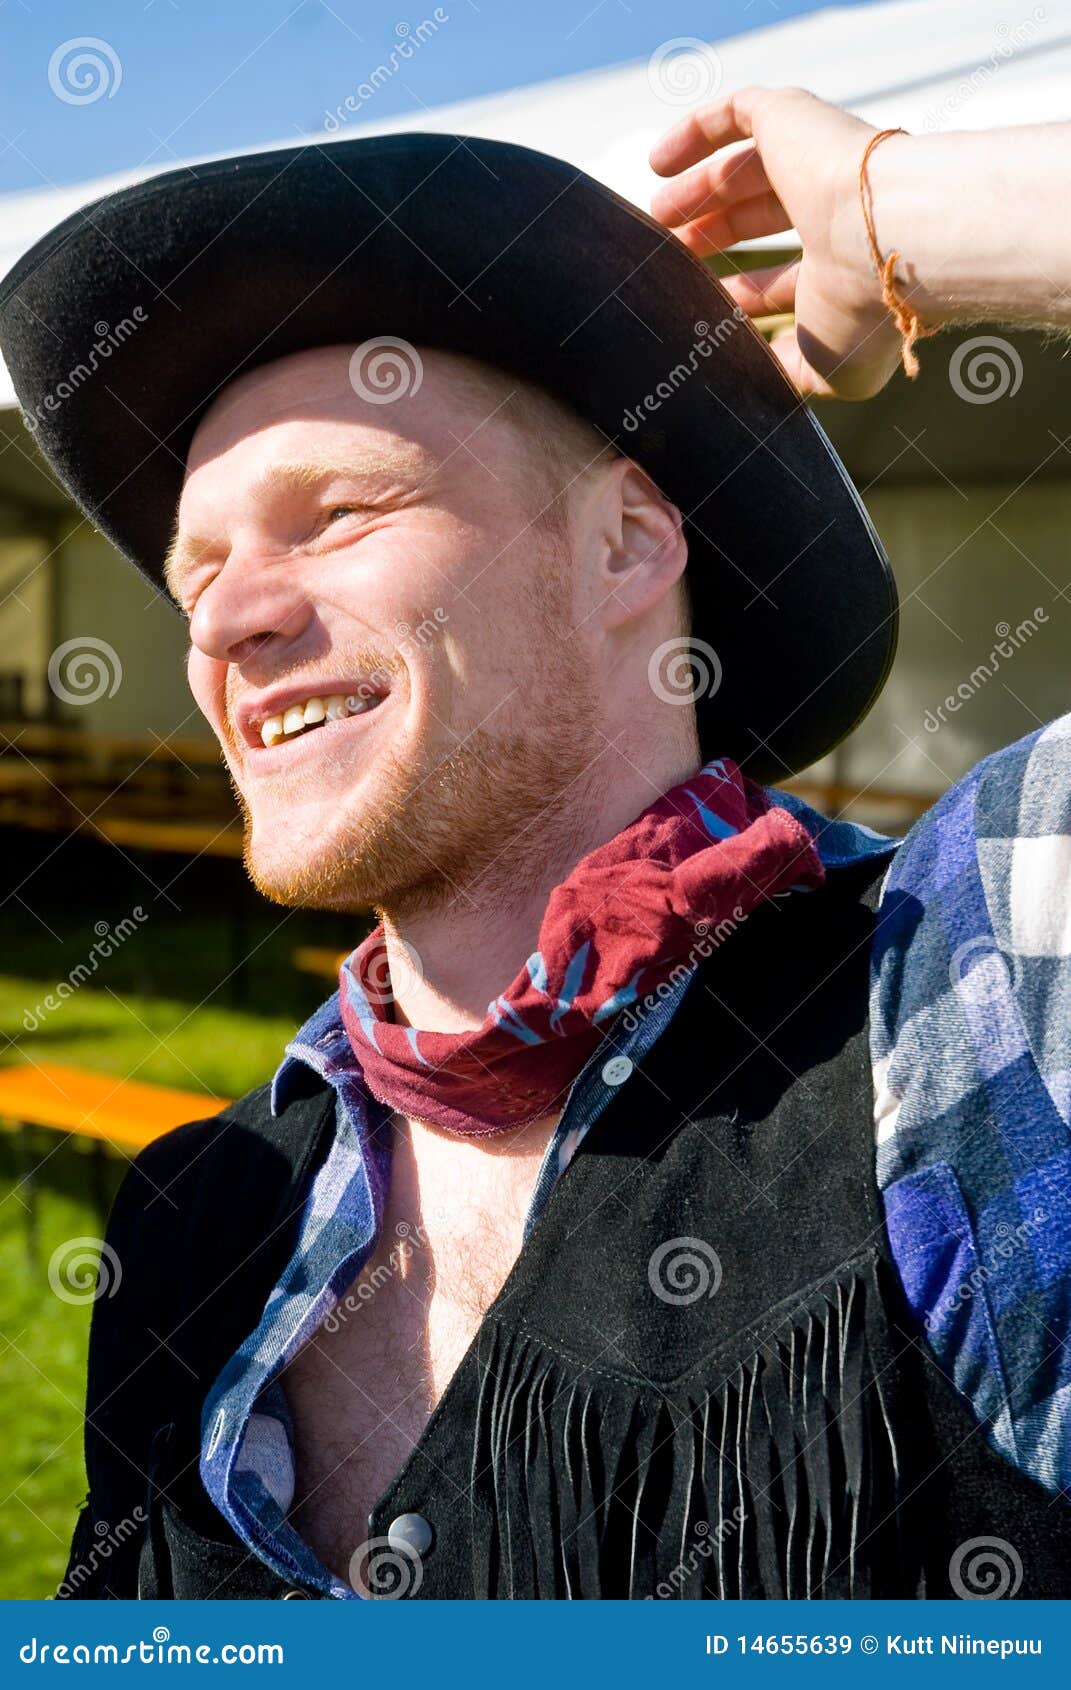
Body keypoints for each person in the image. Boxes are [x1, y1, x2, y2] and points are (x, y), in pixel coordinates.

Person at [1, 89, 1067, 1601]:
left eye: (342, 511)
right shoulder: (202, 1214)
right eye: (199, 573)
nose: (229, 620)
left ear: (628, 543)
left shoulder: (967, 1008)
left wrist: (903, 219)